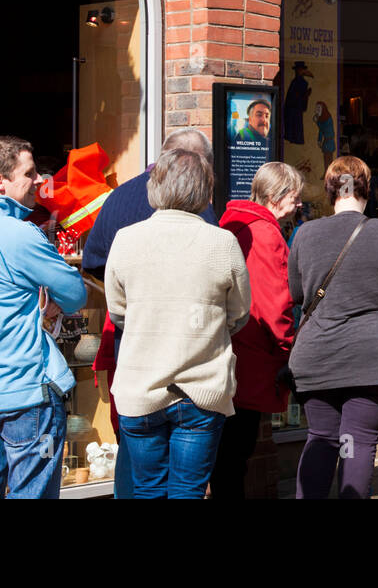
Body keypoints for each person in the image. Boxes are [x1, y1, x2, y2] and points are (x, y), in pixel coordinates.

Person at [0, 136, 88, 498]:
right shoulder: (18, 233)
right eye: (29, 172)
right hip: (24, 391)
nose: (38, 180)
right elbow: (75, 293)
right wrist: (51, 297)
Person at [105, 148, 251, 498]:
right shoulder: (222, 242)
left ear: (156, 186)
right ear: (204, 190)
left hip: (141, 385)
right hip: (200, 388)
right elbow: (239, 313)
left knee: (146, 490)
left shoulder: (126, 239)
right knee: (188, 491)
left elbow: (117, 312)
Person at [81, 128, 219, 498]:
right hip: (188, 355)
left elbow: (93, 262)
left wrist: (130, 301)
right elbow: (225, 297)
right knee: (183, 475)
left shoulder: (120, 196)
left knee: (138, 461)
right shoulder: (200, 208)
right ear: (198, 163)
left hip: (134, 347)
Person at [289, 156, 378, 498]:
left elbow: (296, 293)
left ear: (331, 189)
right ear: (367, 188)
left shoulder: (305, 233)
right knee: (356, 441)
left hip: (317, 356)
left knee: (321, 437)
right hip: (373, 358)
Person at [211, 161, 304, 498]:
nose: (297, 206)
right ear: (275, 196)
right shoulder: (267, 234)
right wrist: (287, 349)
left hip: (225, 350)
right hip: (251, 355)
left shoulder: (231, 223)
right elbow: (273, 303)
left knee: (223, 454)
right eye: (294, 198)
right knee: (236, 453)